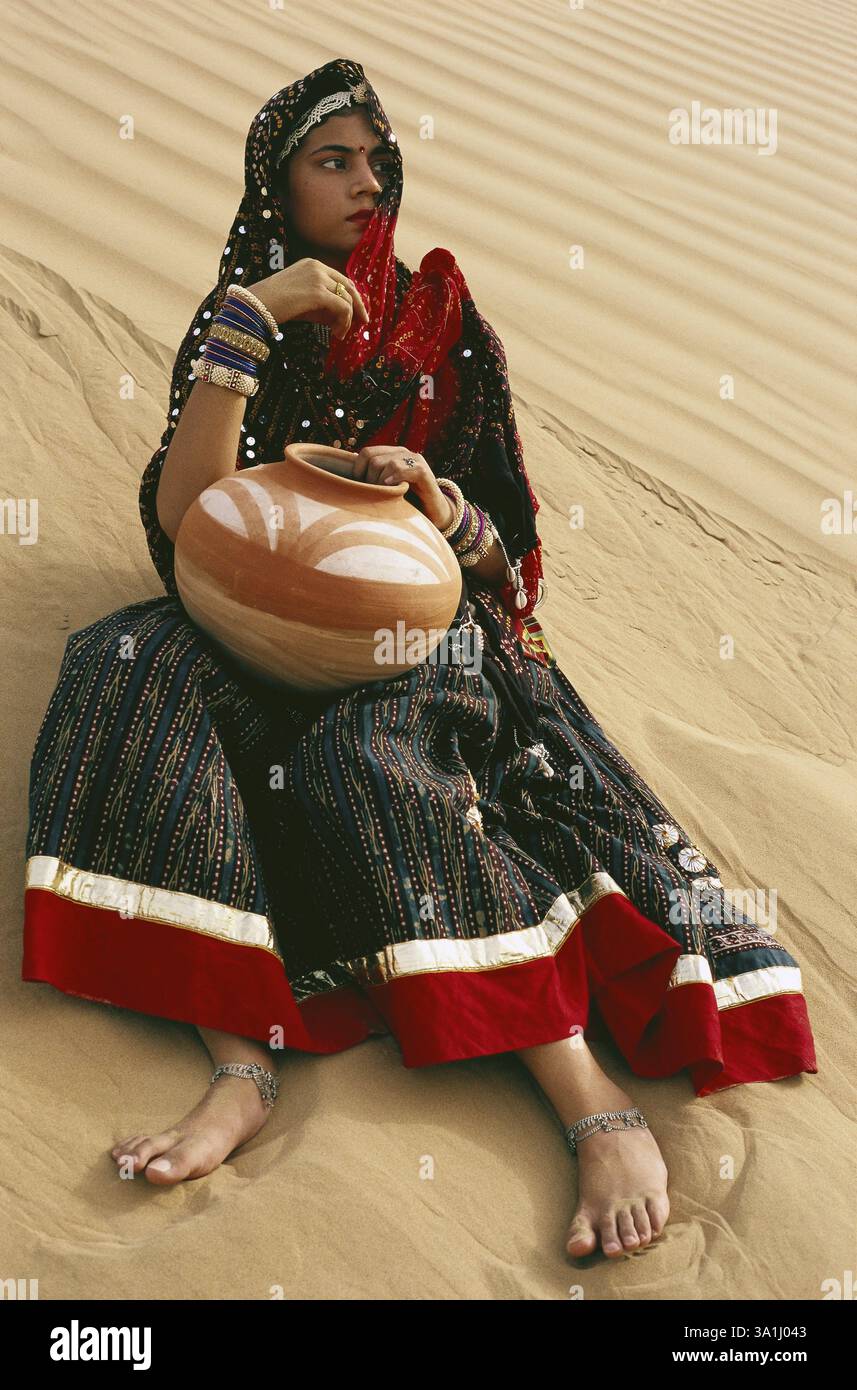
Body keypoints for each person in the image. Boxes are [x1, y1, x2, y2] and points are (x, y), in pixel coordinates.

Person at [22, 58, 817, 1261]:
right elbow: (185, 524)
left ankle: (585, 1101)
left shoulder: (440, 324)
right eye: (329, 161)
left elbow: (507, 562)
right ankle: (242, 1063)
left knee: (367, 761)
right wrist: (252, 320)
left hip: (417, 622)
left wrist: (439, 508)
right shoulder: (246, 305)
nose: (363, 182)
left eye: (373, 160)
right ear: (273, 181)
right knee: (120, 670)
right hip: (256, 606)